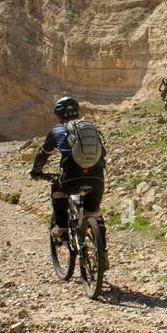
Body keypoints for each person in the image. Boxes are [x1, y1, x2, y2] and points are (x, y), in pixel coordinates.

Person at [28, 97, 106, 248]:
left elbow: (42, 155)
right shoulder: (90, 128)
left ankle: (62, 228)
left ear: (58, 115)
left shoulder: (57, 131)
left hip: (71, 179)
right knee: (94, 212)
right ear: (77, 112)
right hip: (97, 177)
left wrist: (36, 171)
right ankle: (102, 251)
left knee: (57, 188)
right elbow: (102, 153)